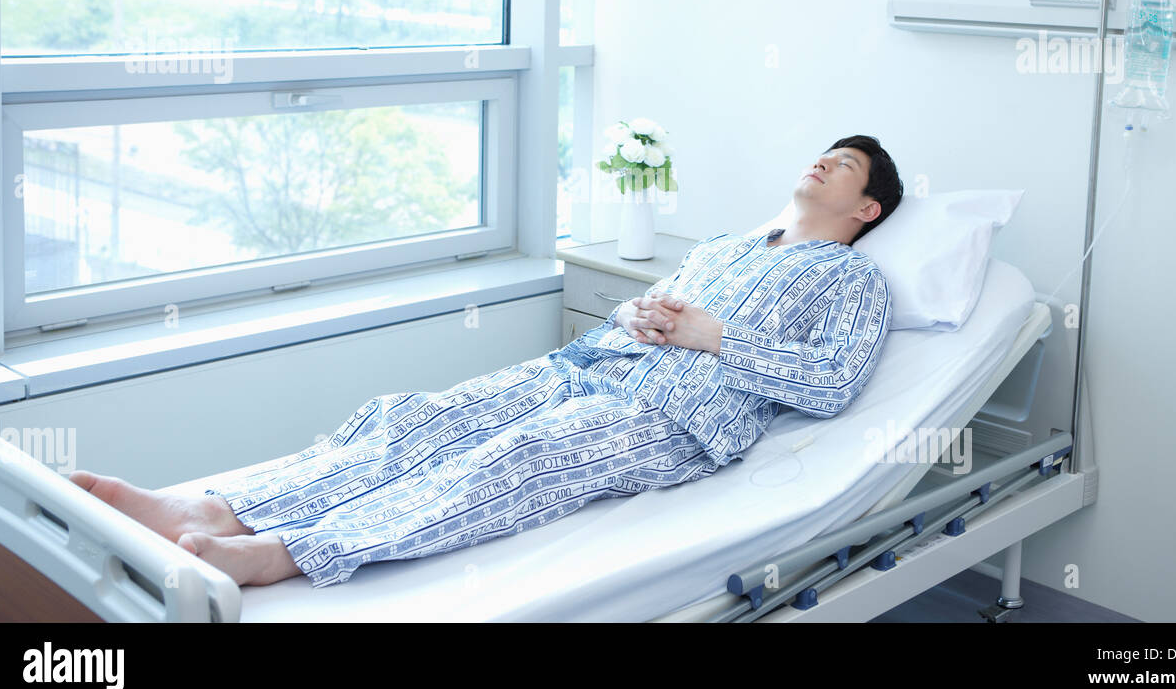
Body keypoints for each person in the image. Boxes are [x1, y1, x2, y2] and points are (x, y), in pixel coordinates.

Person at [68, 134, 902, 589]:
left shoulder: (853, 277)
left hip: (672, 416)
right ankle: (222, 509)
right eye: (826, 148)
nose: (824, 158)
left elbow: (832, 384)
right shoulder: (725, 245)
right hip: (588, 364)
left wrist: (712, 337)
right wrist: (640, 310)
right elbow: (647, 308)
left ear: (866, 207)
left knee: (513, 462)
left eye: (848, 163)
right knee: (418, 420)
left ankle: (286, 553)